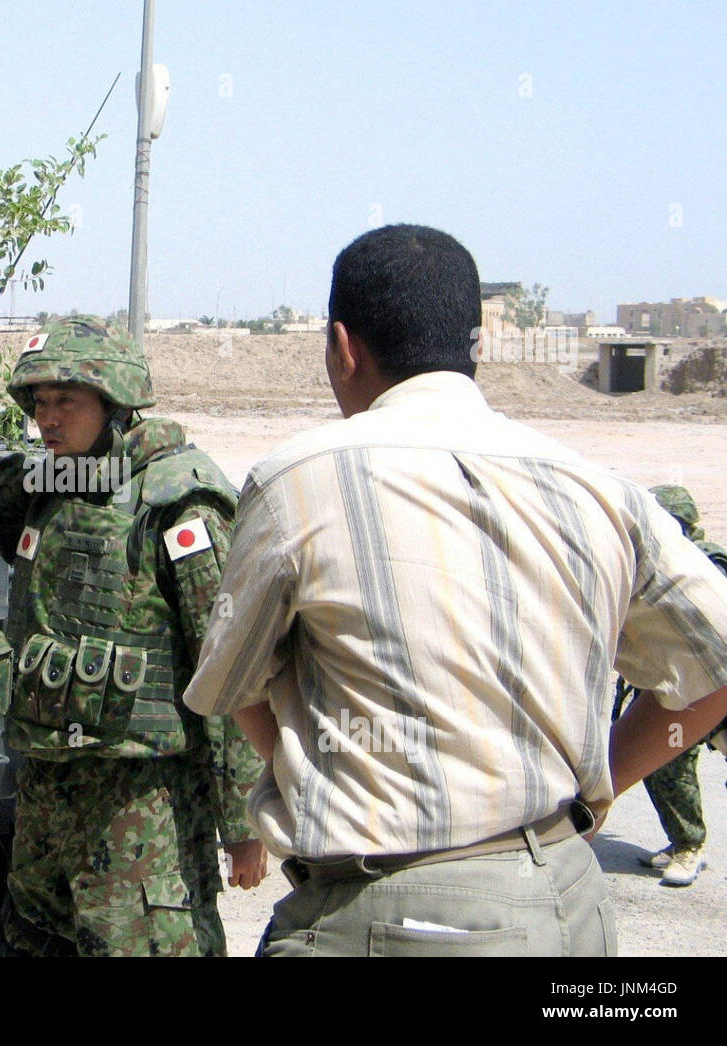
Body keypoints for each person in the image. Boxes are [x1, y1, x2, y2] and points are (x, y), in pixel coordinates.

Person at [184, 224, 727, 957]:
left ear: (343, 348)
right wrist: (594, 803)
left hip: (391, 916)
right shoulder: (598, 488)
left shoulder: (298, 481)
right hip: (567, 906)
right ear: (474, 348)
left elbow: (233, 684)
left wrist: (319, 771)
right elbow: (715, 665)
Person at [0, 268, 266, 956]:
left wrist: (242, 821)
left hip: (141, 805)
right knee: (34, 938)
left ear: (113, 400)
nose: (46, 418)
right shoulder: (45, 485)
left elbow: (226, 666)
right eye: (39, 401)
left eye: (66, 401)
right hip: (47, 797)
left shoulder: (178, 500)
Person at [613, 484, 727, 886]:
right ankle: (683, 843)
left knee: (670, 765)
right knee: (663, 764)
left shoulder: (706, 565)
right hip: (675, 688)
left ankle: (689, 848)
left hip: (708, 691)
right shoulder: (662, 563)